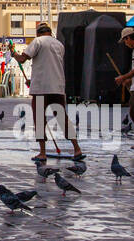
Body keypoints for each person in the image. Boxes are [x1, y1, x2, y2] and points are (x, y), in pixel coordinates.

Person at [13, 23, 83, 163]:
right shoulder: (59, 44)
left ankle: (42, 152)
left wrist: (13, 53)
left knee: (39, 120)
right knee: (62, 118)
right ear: (50, 33)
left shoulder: (38, 41)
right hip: (57, 86)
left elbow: (22, 59)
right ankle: (77, 149)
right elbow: (48, 65)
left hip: (41, 88)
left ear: (38, 33)